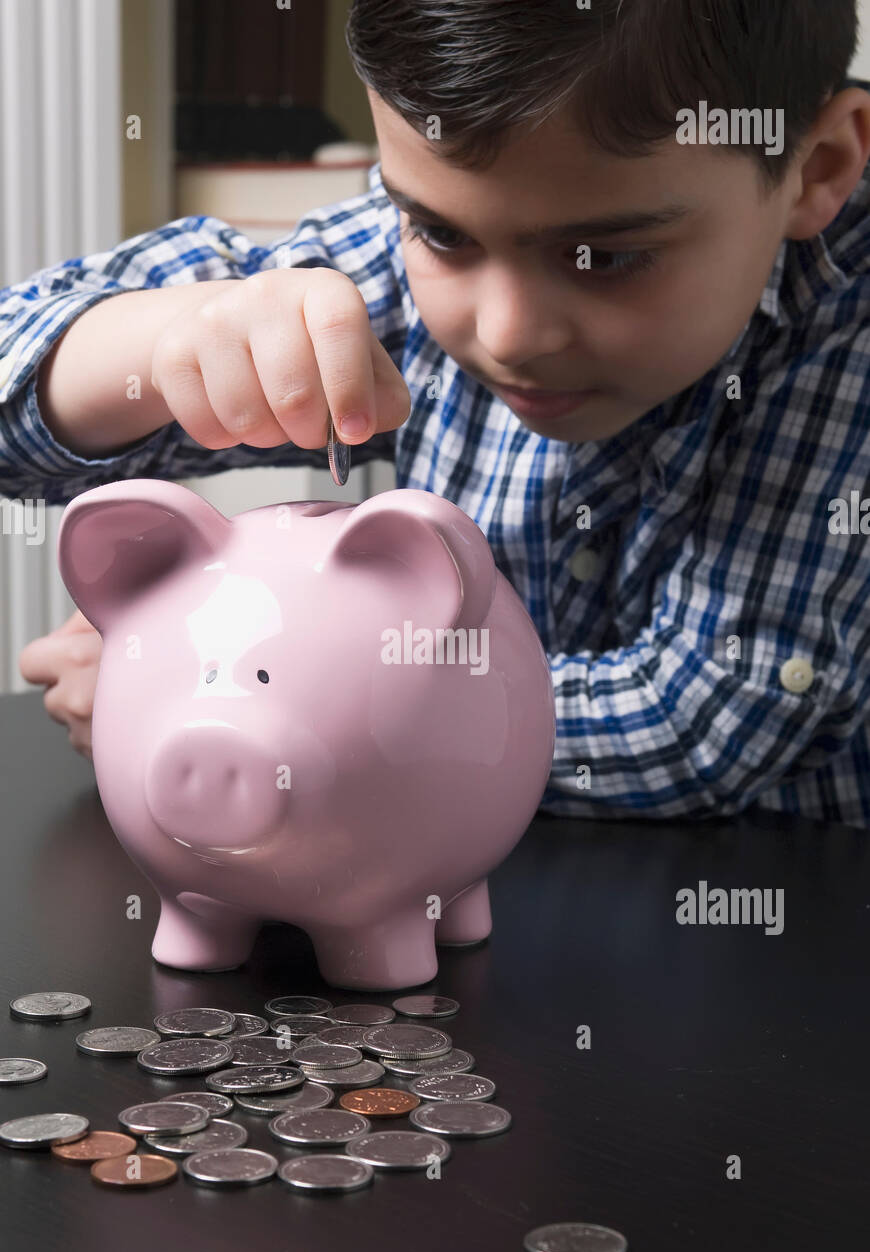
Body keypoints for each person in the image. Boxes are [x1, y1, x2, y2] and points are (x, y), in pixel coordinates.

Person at [2, 0, 869, 824]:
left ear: (818, 169)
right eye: (443, 235)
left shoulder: (850, 335)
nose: (507, 333)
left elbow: (711, 721)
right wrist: (159, 341)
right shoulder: (392, 256)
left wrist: (201, 695)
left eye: (605, 257)